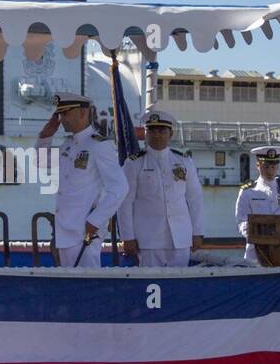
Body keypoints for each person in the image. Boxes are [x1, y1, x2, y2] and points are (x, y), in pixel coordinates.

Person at [35, 92, 127, 267]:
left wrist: (96, 220)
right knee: (71, 284)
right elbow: (40, 161)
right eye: (59, 114)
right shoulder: (68, 144)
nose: (61, 119)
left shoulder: (99, 145)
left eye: (66, 113)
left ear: (83, 113)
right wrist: (45, 136)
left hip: (85, 230)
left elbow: (120, 187)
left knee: (88, 284)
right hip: (65, 228)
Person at [117, 109, 203, 267]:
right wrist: (127, 236)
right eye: (152, 130)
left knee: (179, 284)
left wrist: (197, 232)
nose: (157, 135)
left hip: (180, 237)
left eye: (162, 131)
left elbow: (194, 198)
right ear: (145, 134)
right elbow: (125, 202)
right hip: (148, 239)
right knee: (149, 283)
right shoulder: (134, 163)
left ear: (170, 134)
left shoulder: (184, 161)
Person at [235, 145, 280, 265]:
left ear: (277, 166)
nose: (270, 170)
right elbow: (241, 220)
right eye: (266, 166)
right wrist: (259, 235)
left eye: (273, 166)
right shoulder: (248, 191)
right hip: (255, 253)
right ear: (258, 166)